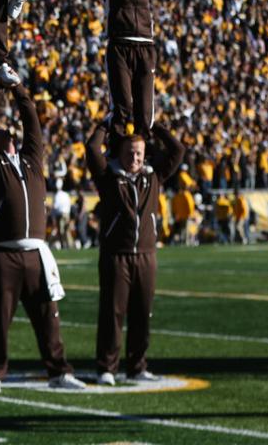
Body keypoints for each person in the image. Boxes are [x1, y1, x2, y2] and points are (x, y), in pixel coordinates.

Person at [0, 84, 84, 393]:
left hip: (36, 254)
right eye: (3, 134)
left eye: (11, 134)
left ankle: (58, 372)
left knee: (49, 317)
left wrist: (21, 92)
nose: (9, 136)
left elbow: (32, 127)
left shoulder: (31, 162)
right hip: (2, 253)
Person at [74, 0, 214, 135]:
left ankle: (143, 153)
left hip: (146, 49)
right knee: (122, 107)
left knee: (146, 113)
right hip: (119, 47)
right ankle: (116, 150)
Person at [85, 122, 184, 385]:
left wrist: (156, 128)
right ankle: (107, 367)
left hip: (146, 255)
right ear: (119, 153)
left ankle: (137, 366)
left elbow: (177, 150)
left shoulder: (152, 177)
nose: (135, 158)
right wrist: (104, 128)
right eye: (130, 153)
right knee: (113, 313)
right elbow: (92, 149)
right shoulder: (108, 177)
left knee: (143, 312)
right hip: (116, 254)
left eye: (139, 153)